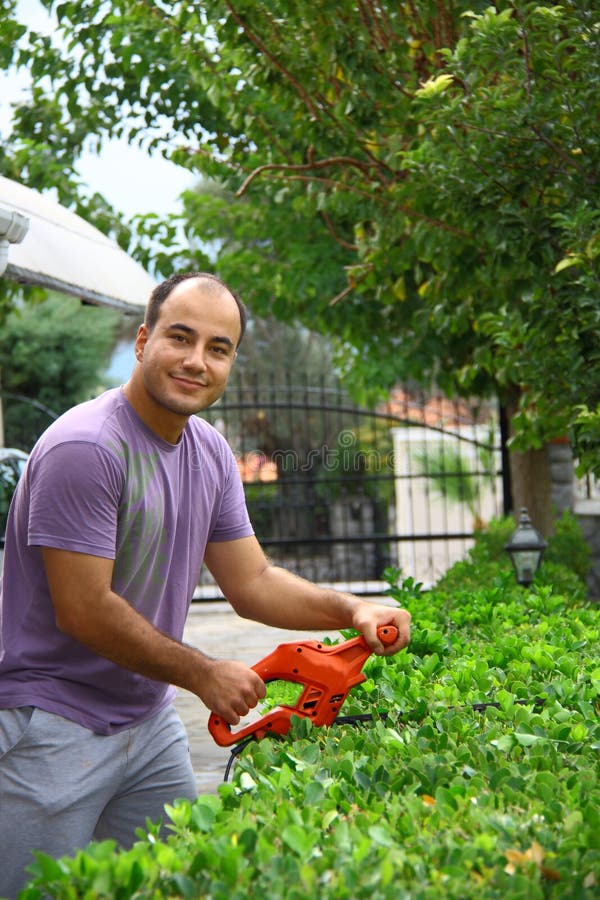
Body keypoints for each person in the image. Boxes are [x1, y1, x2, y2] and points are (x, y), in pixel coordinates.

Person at [0, 272, 411, 897]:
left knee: (176, 884)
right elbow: (83, 609)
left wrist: (353, 609)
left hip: (147, 721)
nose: (197, 360)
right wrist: (203, 674)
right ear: (143, 341)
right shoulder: (86, 448)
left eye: (218, 348)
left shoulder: (210, 452)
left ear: (230, 364)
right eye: (180, 338)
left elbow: (253, 582)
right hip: (50, 724)